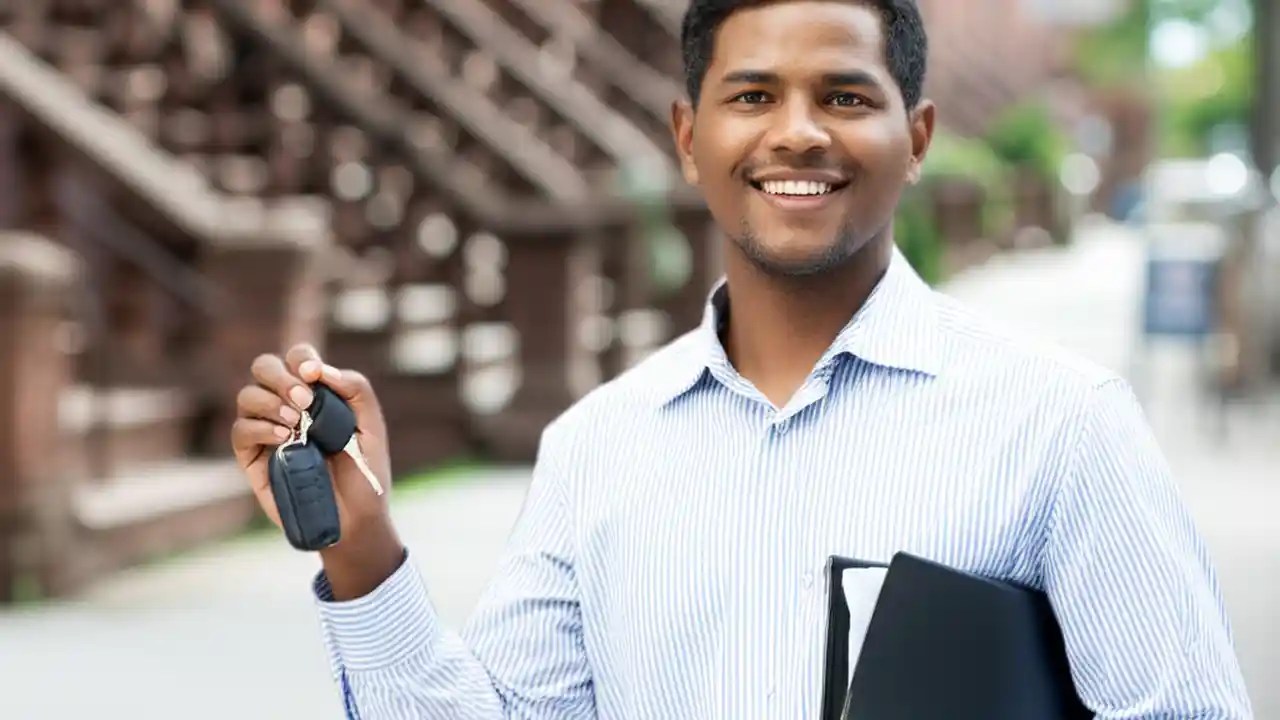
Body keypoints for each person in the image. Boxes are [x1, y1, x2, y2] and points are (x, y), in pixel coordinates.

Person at [231, 0, 1254, 717]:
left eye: (846, 98)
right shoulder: (598, 447)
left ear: (918, 135)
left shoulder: (1057, 424)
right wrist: (359, 554)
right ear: (688, 135)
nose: (797, 134)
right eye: (753, 96)